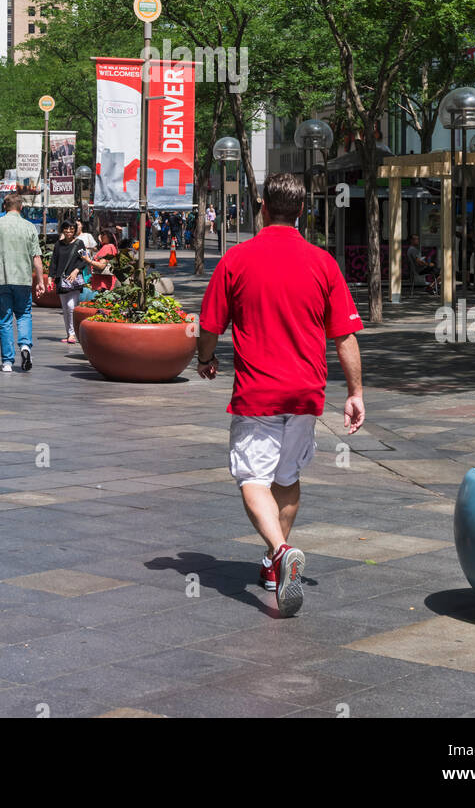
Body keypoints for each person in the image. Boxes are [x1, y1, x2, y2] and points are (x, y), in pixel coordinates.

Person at [197, 171, 365, 618]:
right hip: (307, 391)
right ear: (303, 212)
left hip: (258, 392)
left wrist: (205, 359)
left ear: (263, 207)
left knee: (252, 478)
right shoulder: (323, 263)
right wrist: (355, 392)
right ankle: (273, 568)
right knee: (287, 478)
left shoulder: (237, 259)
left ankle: (281, 548)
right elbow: (345, 336)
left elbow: (211, 326)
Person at [0, 193, 45, 372]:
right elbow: (37, 257)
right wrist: (40, 281)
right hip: (23, 279)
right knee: (24, 314)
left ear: (5, 207)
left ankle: (8, 361)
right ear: (21, 207)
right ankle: (25, 346)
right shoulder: (29, 227)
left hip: (1, 279)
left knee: (4, 320)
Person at [47, 218, 86, 345]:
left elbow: (85, 259)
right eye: (66, 228)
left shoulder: (79, 243)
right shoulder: (59, 245)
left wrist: (76, 270)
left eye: (71, 229)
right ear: (62, 229)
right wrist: (49, 278)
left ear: (75, 230)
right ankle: (69, 333)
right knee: (65, 308)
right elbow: (54, 262)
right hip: (61, 280)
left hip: (74, 280)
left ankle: (73, 333)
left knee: (71, 306)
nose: (69, 231)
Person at [81, 229, 119, 293]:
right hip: (107, 283)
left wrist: (88, 260)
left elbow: (101, 266)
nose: (99, 237)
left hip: (103, 284)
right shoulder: (112, 247)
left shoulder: (107, 247)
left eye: (102, 235)